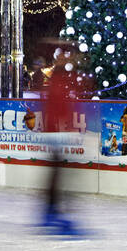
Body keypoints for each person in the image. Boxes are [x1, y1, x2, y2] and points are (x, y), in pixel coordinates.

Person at [40, 48, 84, 236]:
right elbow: (57, 103)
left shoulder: (60, 77)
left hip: (56, 130)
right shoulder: (59, 78)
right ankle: (54, 211)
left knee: (58, 171)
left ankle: (51, 210)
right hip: (55, 131)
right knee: (59, 172)